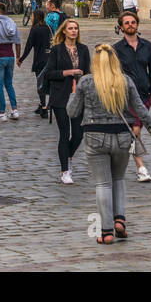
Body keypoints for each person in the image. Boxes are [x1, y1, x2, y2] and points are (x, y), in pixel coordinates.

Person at [67, 44, 151, 244]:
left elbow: (72, 112)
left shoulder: (86, 82)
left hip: (95, 137)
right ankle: (119, 219)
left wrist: (74, 92)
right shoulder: (125, 81)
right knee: (118, 180)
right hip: (122, 136)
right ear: (115, 61)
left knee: (103, 183)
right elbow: (141, 111)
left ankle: (106, 232)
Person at [42, 18, 90, 185]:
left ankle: (68, 156)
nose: (73, 31)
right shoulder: (56, 50)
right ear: (64, 31)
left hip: (79, 97)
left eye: (76, 28)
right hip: (61, 97)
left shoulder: (83, 49)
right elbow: (49, 73)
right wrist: (68, 72)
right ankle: (65, 170)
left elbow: (89, 72)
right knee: (64, 133)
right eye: (70, 28)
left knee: (78, 134)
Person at [113, 12, 151, 182]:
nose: (130, 25)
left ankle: (122, 159)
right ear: (121, 27)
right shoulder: (116, 49)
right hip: (127, 96)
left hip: (145, 95)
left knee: (132, 131)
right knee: (135, 130)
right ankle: (141, 167)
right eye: (127, 23)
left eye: (133, 22)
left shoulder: (148, 46)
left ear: (137, 25)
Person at [17, 1, 53, 118]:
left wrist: (21, 59)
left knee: (40, 83)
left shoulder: (35, 29)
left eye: (32, 16)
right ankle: (42, 105)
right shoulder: (48, 27)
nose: (31, 18)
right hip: (49, 58)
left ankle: (44, 108)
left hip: (39, 60)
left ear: (35, 17)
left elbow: (29, 46)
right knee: (49, 82)